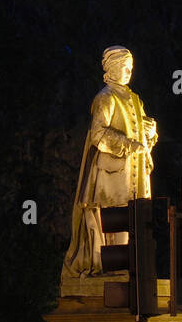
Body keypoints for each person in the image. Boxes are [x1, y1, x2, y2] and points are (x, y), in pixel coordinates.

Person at [65, 46, 158, 276]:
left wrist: (149, 132)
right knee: (109, 217)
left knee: (131, 217)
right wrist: (127, 144)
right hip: (111, 173)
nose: (128, 71)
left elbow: (143, 131)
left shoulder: (135, 99)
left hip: (134, 173)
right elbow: (98, 134)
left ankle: (126, 268)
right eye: (124, 66)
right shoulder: (105, 97)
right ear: (113, 69)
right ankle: (109, 267)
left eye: (131, 67)